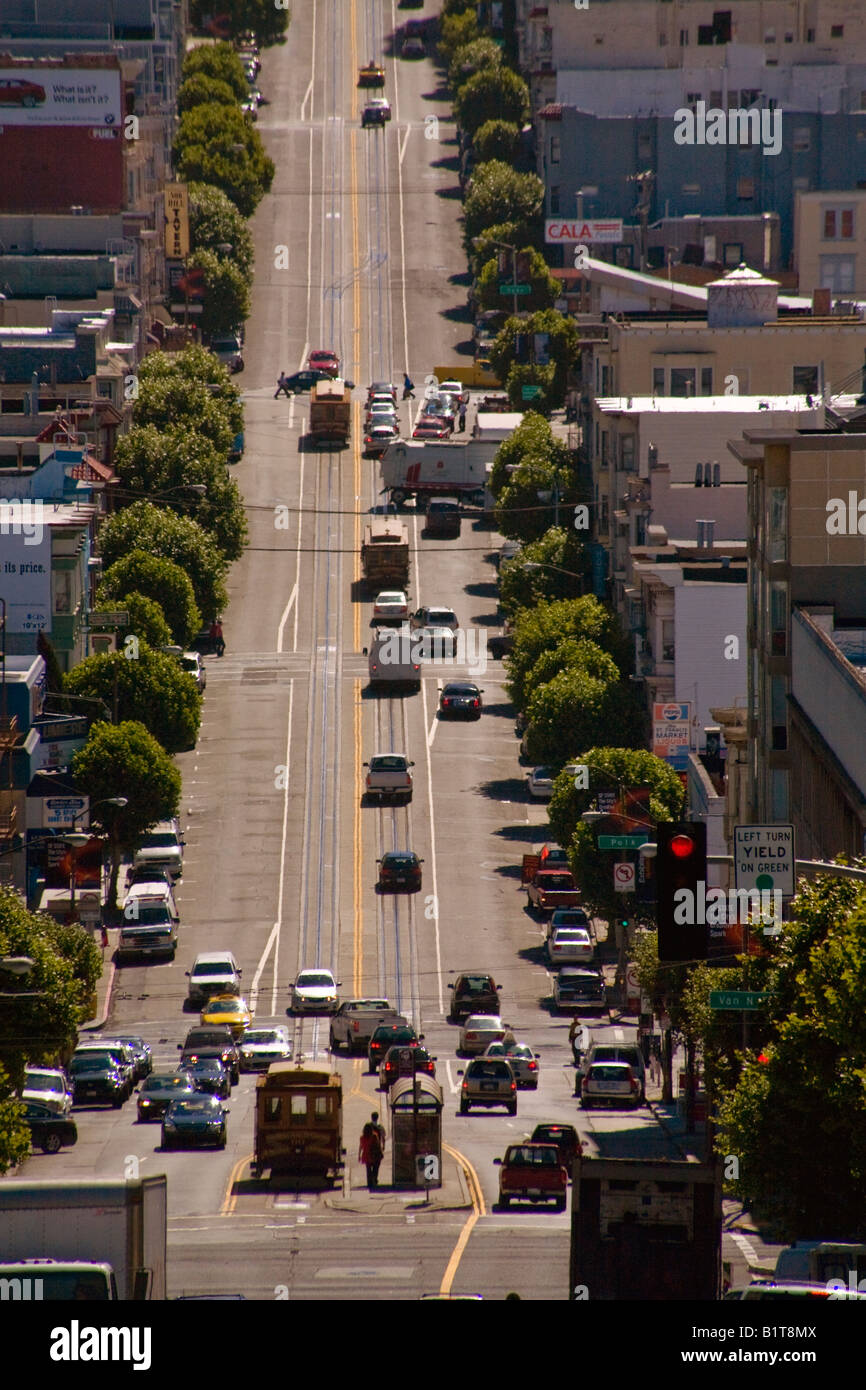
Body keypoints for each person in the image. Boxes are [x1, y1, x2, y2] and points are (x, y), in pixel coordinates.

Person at [359, 1112, 385, 1189]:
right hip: (375, 1153)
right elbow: (382, 1138)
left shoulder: (364, 1133)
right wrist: (383, 1147)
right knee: (376, 1167)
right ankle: (374, 1179)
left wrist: (359, 1154)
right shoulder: (379, 1128)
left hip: (366, 1153)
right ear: (377, 1118)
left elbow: (361, 1145)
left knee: (368, 1169)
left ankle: (369, 1182)